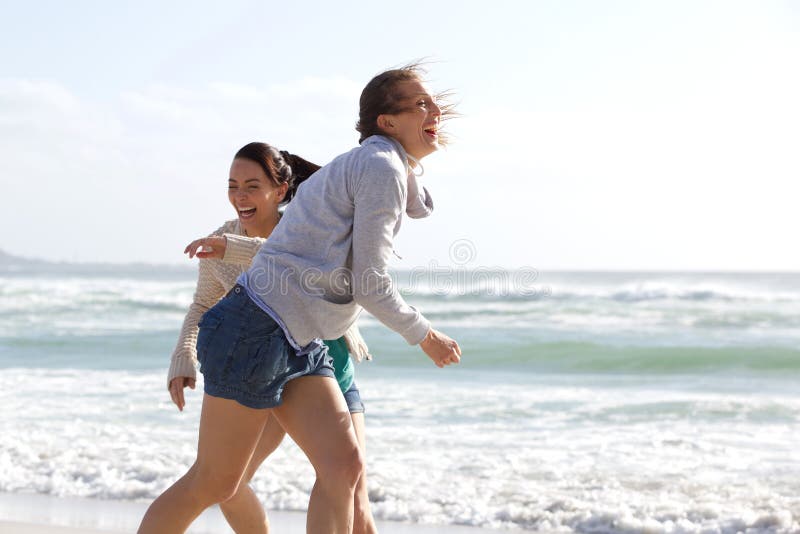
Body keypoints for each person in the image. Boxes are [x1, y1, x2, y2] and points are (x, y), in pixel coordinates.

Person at [138, 64, 461, 534]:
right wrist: (424, 334)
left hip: (301, 340)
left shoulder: (386, 167)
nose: (435, 110)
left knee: (344, 468)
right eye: (421, 103)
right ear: (387, 122)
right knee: (216, 481)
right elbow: (370, 281)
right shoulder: (379, 167)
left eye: (432, 102)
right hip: (257, 329)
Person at [166, 141, 377, 534]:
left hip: (331, 359)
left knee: (353, 488)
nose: (240, 197)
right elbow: (203, 306)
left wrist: (233, 248)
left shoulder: (305, 225)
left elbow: (286, 256)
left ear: (279, 191)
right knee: (227, 483)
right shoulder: (221, 239)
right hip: (272, 361)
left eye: (251, 186)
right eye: (232, 186)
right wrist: (184, 357)